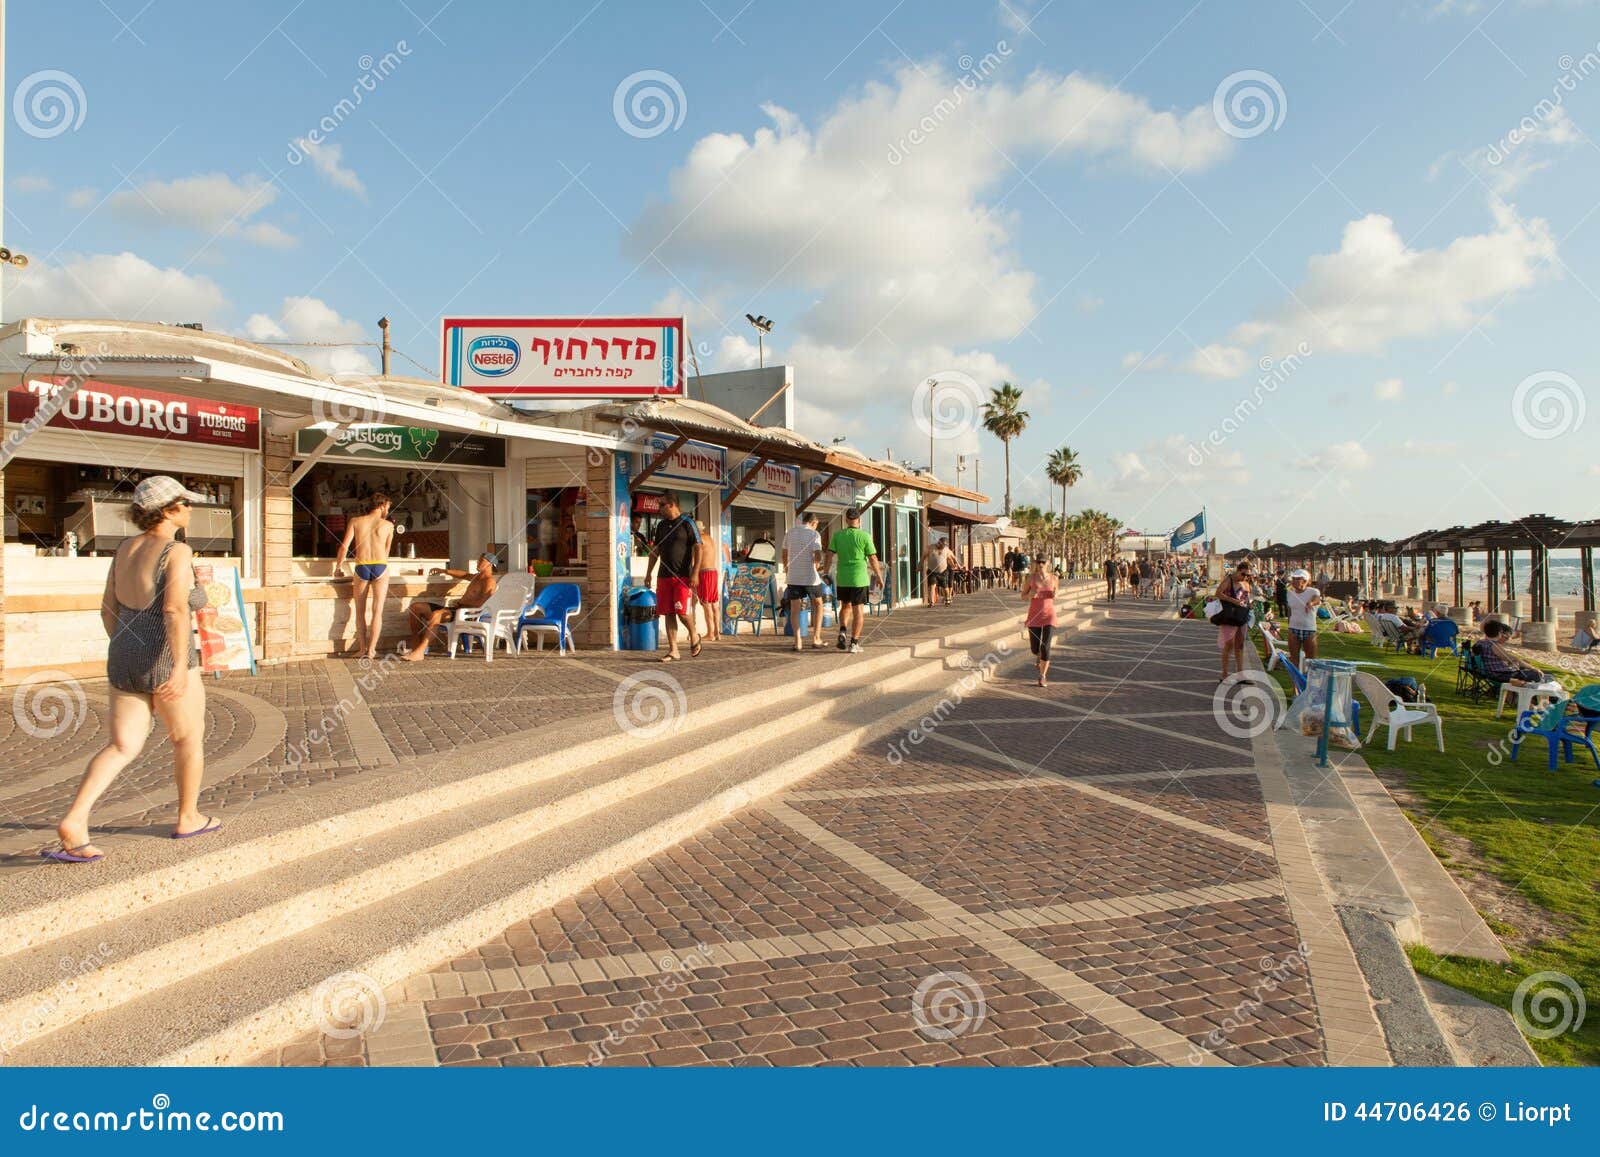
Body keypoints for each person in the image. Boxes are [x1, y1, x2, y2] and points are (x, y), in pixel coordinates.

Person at [46, 477, 216, 863]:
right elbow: (174, 610)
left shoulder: (124, 548)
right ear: (170, 510)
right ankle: (188, 817)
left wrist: (124, 644)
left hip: (124, 650)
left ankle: (75, 820)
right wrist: (176, 667)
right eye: (186, 504)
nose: (191, 510)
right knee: (188, 739)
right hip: (165, 653)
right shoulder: (177, 551)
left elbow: (108, 608)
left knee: (122, 745)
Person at [332, 491, 395, 660]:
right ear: (382, 505)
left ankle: (361, 649)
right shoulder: (388, 525)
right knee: (377, 612)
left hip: (362, 566)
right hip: (381, 566)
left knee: (359, 612)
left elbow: (344, 547)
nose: (388, 510)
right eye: (388, 507)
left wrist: (338, 567)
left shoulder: (355, 521)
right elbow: (386, 552)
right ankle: (372, 651)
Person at [402, 553, 498, 661]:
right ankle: (415, 647)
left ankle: (420, 652)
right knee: (416, 608)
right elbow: (464, 575)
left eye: (481, 561)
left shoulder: (489, 582)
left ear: (490, 564)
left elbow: (482, 604)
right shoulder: (477, 577)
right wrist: (444, 571)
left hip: (465, 613)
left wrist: (464, 606)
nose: (477, 562)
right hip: (456, 609)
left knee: (436, 615)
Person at [644, 496, 702, 661]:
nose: (659, 509)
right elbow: (655, 550)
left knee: (682, 612)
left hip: (683, 576)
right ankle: (673, 650)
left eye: (662, 505)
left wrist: (696, 572)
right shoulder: (661, 526)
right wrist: (649, 573)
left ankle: (694, 635)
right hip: (664, 576)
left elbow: (699, 548)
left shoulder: (687, 522)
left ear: (672, 505)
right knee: (668, 612)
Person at [826, 506, 882, 653]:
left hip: (843, 578)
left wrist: (826, 573)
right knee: (858, 610)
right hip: (859, 579)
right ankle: (854, 644)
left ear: (846, 520)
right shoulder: (865, 536)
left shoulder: (837, 535)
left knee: (845, 606)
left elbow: (829, 555)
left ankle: (843, 631)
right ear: (859, 520)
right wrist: (879, 577)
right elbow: (873, 558)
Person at [782, 511, 827, 651]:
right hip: (810, 578)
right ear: (813, 523)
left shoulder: (790, 532)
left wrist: (787, 569)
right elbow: (817, 555)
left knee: (795, 609)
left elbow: (784, 553)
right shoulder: (814, 534)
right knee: (818, 604)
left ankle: (798, 642)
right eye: (816, 525)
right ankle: (816, 638)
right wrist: (818, 565)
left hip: (793, 577)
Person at [1020, 557, 1058, 687]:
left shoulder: (1054, 578)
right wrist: (1030, 595)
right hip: (1034, 616)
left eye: (1043, 562)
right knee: (1035, 648)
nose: (1040, 564)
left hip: (1049, 615)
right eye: (1038, 562)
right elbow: (1022, 596)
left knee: (1045, 646)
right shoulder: (1030, 578)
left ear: (1048, 563)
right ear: (1035, 564)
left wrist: (1055, 595)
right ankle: (1038, 654)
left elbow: (1055, 593)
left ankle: (1042, 676)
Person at [1215, 560, 1254, 682]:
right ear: (1238, 571)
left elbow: (1247, 597)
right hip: (1230, 616)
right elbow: (1218, 593)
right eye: (1243, 574)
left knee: (1240, 645)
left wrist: (1249, 604)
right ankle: (1224, 674)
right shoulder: (1229, 580)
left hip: (1242, 616)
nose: (1245, 577)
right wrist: (1233, 601)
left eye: (1248, 575)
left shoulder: (1246, 583)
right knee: (1229, 644)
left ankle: (1240, 675)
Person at [1475, 621, 1548, 684]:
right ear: (1499, 632)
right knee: (1537, 674)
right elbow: (1513, 659)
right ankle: (1546, 698)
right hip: (1501, 675)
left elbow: (1501, 659)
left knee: (1525, 668)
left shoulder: (1480, 642)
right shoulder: (1494, 646)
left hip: (1492, 673)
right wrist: (1533, 668)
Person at [693, 519, 729, 644]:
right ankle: (717, 632)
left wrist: (693, 574)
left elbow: (694, 560)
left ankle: (710, 633)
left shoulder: (699, 540)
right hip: (713, 571)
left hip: (704, 573)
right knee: (714, 603)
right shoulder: (709, 538)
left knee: (706, 603)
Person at [1284, 568, 1322, 668]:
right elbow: (1289, 610)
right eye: (1293, 578)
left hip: (1309, 630)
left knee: (1311, 661)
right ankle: (1295, 683)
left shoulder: (1313, 591)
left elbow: (1317, 599)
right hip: (1293, 629)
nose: (1294, 581)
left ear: (1305, 581)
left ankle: (1309, 682)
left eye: (1297, 579)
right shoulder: (1290, 593)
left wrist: (1311, 603)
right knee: (1294, 660)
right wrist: (1289, 624)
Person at [923, 537, 957, 607]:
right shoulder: (931, 547)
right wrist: (919, 566)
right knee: (932, 586)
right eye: (939, 544)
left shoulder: (946, 550)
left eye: (941, 545)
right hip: (932, 570)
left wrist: (956, 565)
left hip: (943, 571)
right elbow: (923, 557)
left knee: (945, 587)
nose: (939, 546)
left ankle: (947, 599)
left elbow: (953, 558)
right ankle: (931, 602)